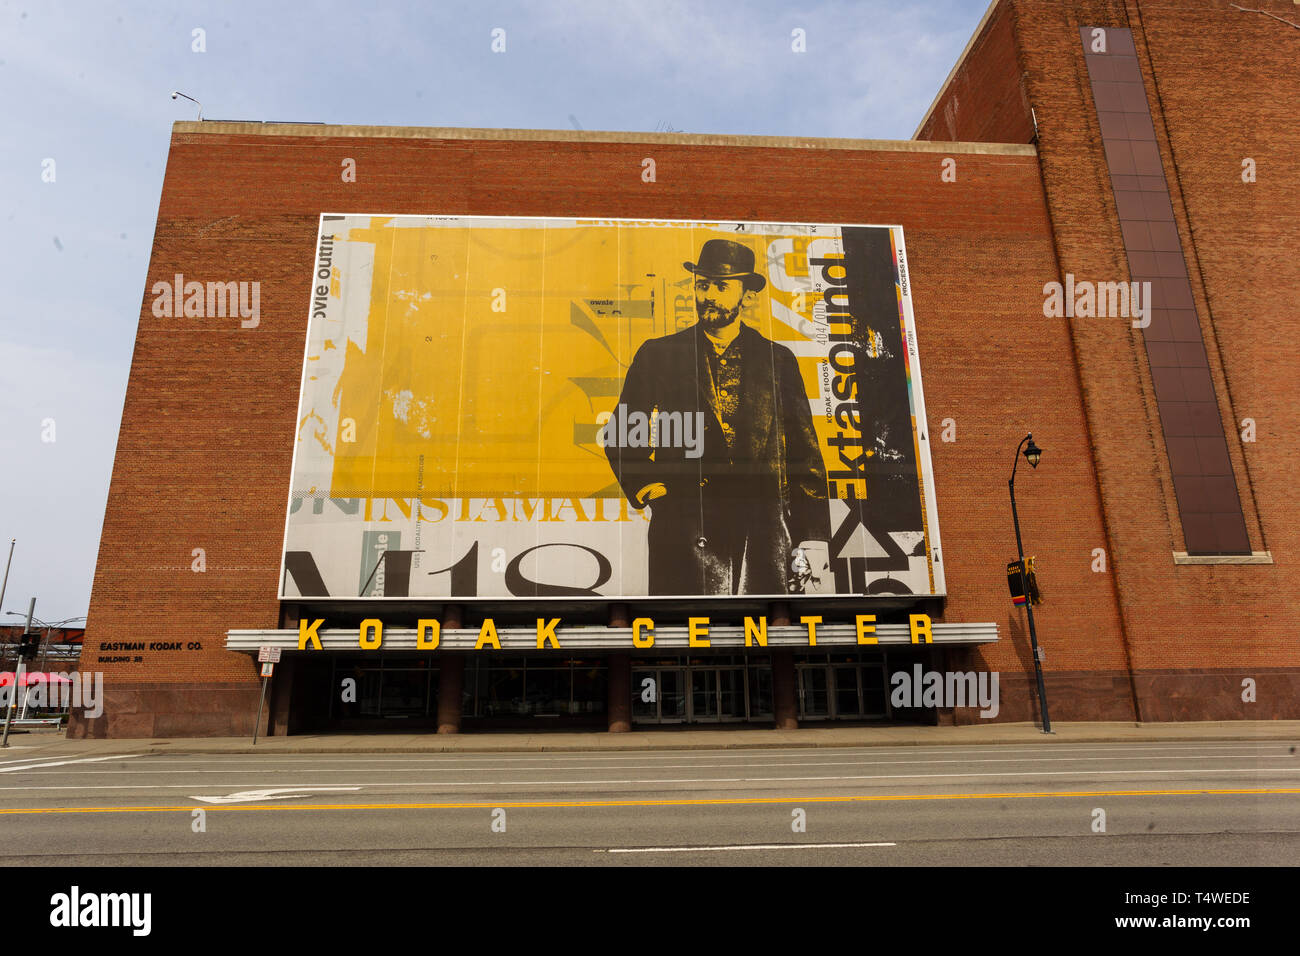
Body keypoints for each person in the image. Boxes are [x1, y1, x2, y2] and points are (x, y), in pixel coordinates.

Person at [603, 238, 831, 596]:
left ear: (747, 296)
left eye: (721, 286)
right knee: (684, 640)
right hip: (684, 536)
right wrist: (653, 490)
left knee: (766, 638)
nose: (708, 295)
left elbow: (806, 454)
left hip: (765, 537)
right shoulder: (659, 355)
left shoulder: (778, 360)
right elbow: (621, 432)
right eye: (702, 284)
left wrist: (812, 539)